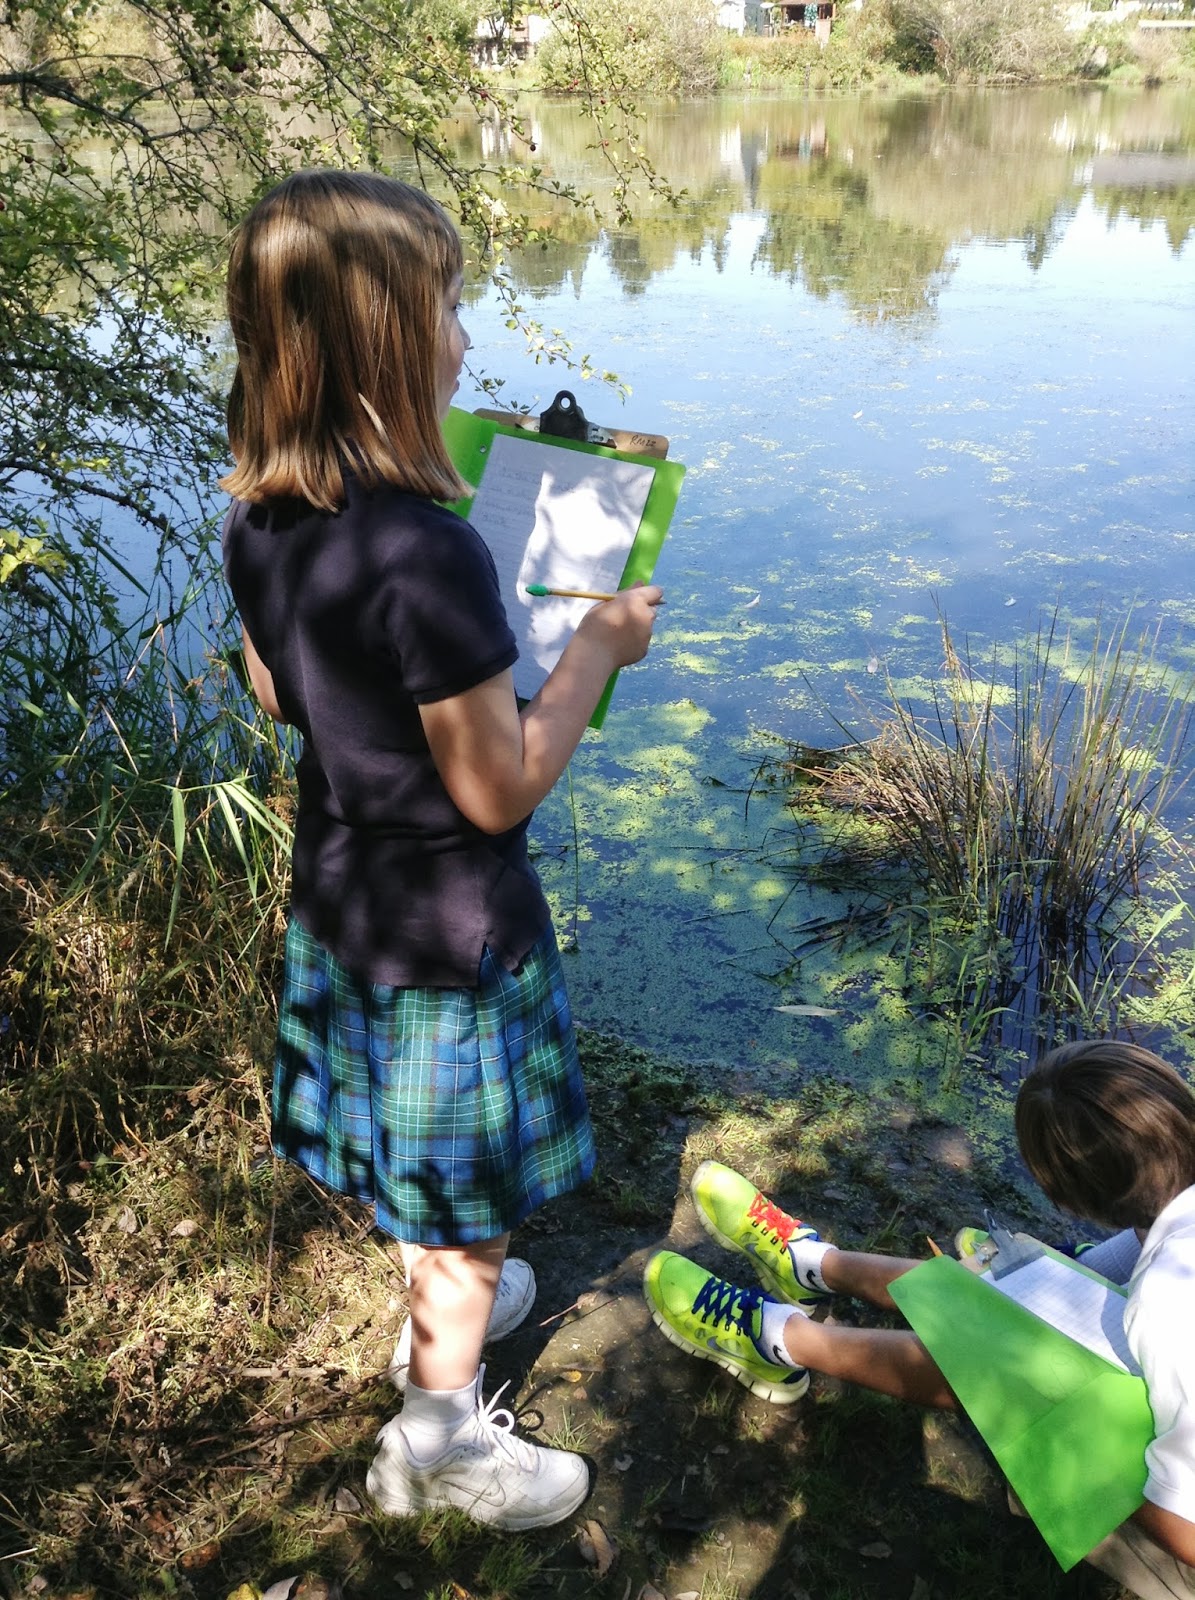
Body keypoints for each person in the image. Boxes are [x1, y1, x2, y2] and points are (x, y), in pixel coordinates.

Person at [220, 168, 663, 1531]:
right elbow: (498, 788)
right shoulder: (427, 554)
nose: (466, 339)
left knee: (419, 1159)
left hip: (346, 905)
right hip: (452, 930)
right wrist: (593, 644)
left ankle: (439, 1316)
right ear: (385, 341)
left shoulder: (258, 508)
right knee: (470, 1204)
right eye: (448, 309)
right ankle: (438, 1446)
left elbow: (277, 694)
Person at [643, 1041, 1195, 1597]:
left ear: (1071, 1199)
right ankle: (811, 1266)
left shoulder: (1169, 1309)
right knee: (1014, 1288)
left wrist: (1087, 1450)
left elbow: (1184, 1527)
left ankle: (779, 1342)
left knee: (1018, 1370)